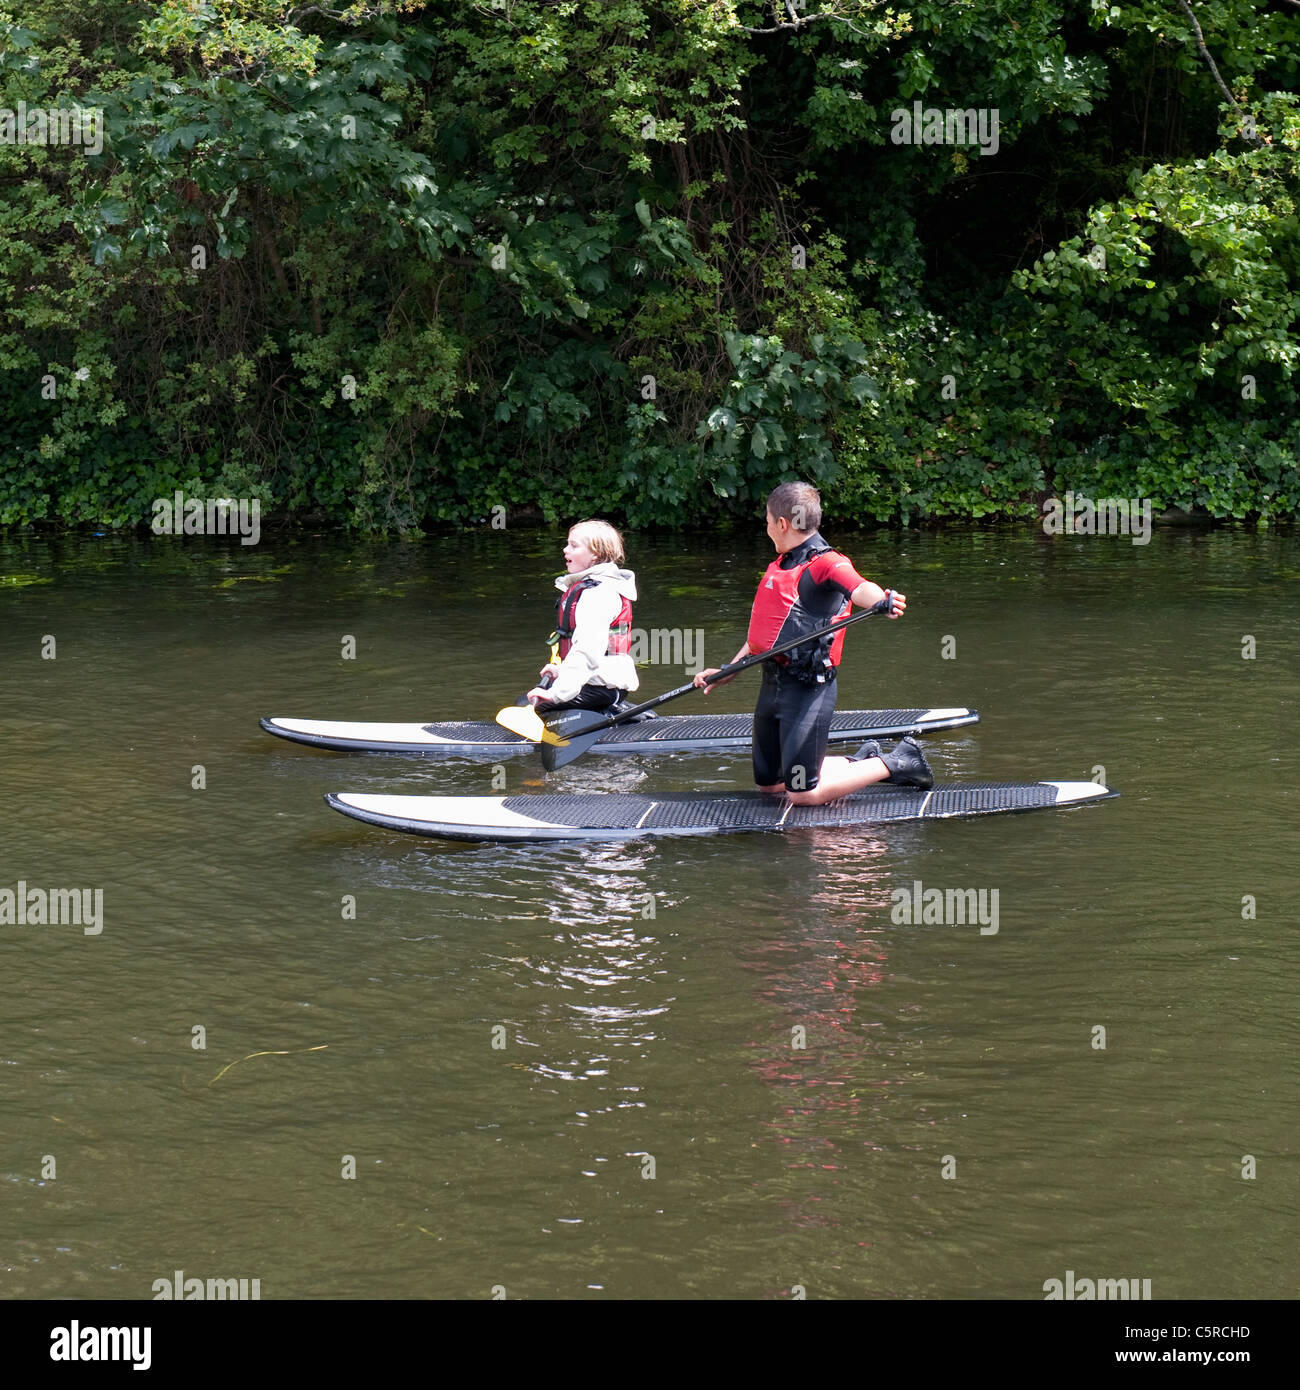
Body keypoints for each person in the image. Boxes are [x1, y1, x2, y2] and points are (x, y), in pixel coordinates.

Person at [693, 481, 932, 805]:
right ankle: (858, 761)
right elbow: (766, 635)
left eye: (767, 522)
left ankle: (896, 761)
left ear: (782, 524)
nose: (766, 529)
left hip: (807, 691)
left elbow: (859, 587)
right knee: (770, 786)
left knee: (802, 793)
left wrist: (884, 601)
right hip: (772, 686)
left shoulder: (826, 563)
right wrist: (729, 671)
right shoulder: (781, 565)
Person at [524, 520, 641, 715]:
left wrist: (558, 694)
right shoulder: (591, 588)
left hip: (604, 688)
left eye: (574, 545)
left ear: (595, 554)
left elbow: (587, 650)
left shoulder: (598, 593)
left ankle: (612, 714)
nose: (565, 550)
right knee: (526, 701)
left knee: (534, 707)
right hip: (598, 681)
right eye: (567, 544)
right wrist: (560, 672)